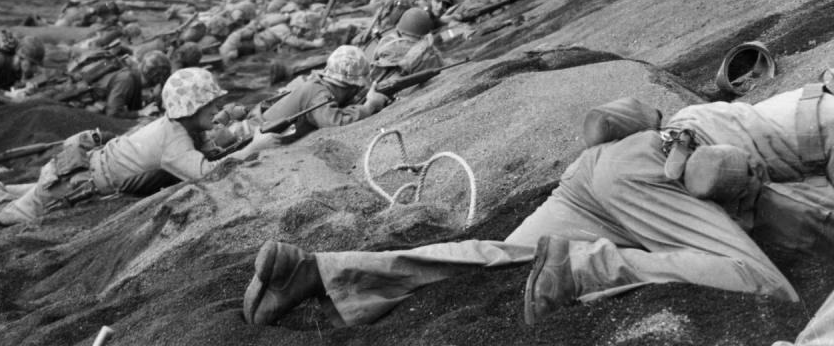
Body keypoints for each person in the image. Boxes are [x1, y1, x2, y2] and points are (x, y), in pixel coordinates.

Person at [242, 84, 834, 329]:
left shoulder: (787, 109)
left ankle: (321, 272)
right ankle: (587, 268)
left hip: (601, 172)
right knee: (763, 284)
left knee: (509, 255)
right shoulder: (821, 116)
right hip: (656, 172)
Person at [0, 68, 280, 227]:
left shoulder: (178, 127)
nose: (216, 109)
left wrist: (241, 128)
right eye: (211, 104)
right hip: (72, 179)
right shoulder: (174, 141)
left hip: (79, 167)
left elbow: (209, 146)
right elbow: (208, 173)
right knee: (8, 215)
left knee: (20, 190)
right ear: (191, 108)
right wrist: (255, 147)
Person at [258, 46, 391, 139]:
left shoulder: (317, 84)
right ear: (350, 86)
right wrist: (369, 107)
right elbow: (337, 123)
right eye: (357, 88)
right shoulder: (319, 94)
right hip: (253, 133)